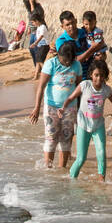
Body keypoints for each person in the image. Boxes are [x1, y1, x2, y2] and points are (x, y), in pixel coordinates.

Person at [30, 40, 83, 169]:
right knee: (51, 138)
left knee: (66, 138)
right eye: (65, 60)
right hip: (51, 107)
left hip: (70, 108)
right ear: (59, 55)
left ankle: (62, 170)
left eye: (70, 60)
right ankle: (48, 169)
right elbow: (41, 87)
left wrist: (80, 109)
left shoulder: (76, 65)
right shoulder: (51, 64)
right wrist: (37, 108)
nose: (67, 63)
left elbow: (79, 88)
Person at [29, 10, 50, 79]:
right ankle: (36, 76)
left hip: (44, 46)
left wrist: (34, 44)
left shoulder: (43, 27)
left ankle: (47, 74)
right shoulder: (39, 27)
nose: (33, 24)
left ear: (37, 21)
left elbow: (41, 37)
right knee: (38, 61)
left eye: (33, 22)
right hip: (40, 46)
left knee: (40, 61)